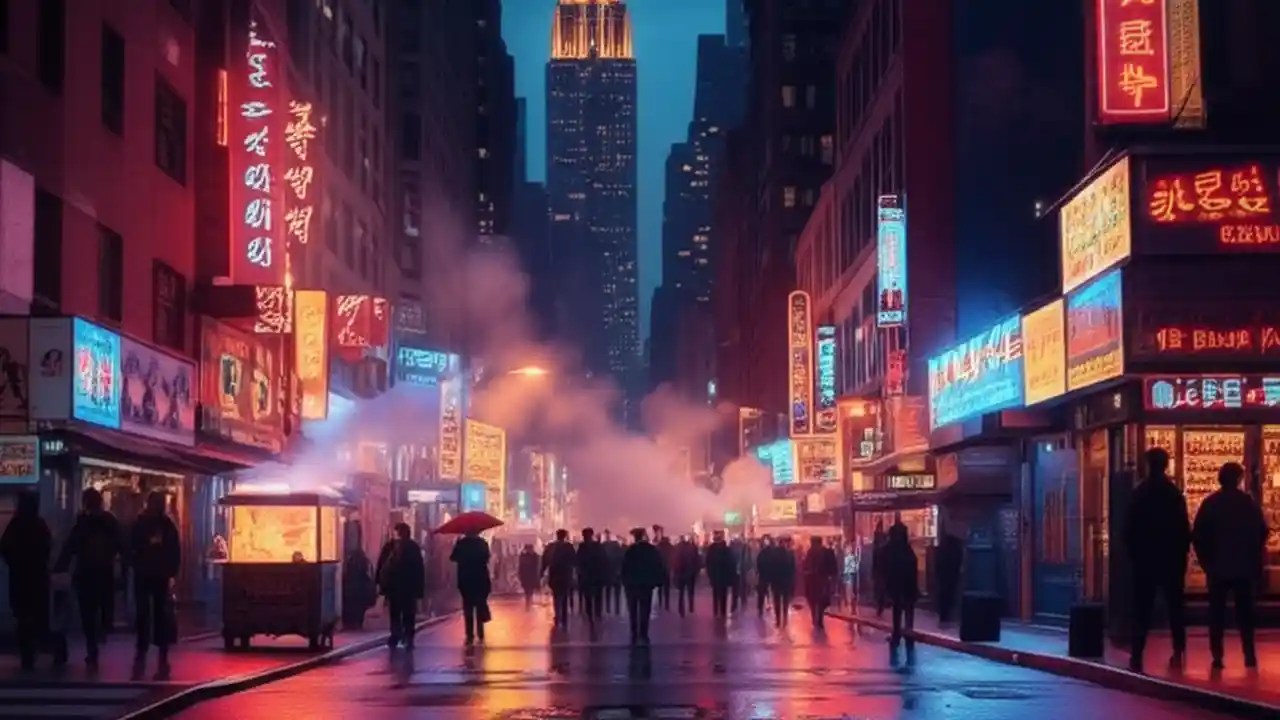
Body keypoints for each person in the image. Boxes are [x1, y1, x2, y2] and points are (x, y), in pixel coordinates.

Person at [1193, 462, 1268, 669]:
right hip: (1244, 567)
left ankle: (1217, 655)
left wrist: (1206, 561)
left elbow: (1198, 535)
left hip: (1218, 567)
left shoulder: (1211, 503)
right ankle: (1249, 653)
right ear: (1239, 479)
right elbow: (1262, 531)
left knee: (1217, 612)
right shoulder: (1247, 503)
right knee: (1245, 613)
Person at [1124, 447, 1191, 672]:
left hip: (1145, 559)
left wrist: (1133, 553)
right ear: (1166, 465)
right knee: (1175, 607)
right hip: (1170, 558)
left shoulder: (1140, 492)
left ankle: (1136, 652)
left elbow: (1129, 527)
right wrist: (1182, 554)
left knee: (1141, 607)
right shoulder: (1173, 493)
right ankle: (1179, 650)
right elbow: (1183, 528)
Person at [53, 487, 122, 667]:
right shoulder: (110, 521)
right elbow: (121, 544)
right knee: (103, 605)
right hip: (105, 571)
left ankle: (92, 647)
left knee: (87, 613)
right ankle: (103, 630)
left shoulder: (83, 522)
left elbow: (71, 546)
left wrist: (59, 567)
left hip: (86, 572)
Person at [129, 491, 180, 675]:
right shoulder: (165, 525)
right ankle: (157, 655)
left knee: (152, 615)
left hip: (151, 574)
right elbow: (174, 550)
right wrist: (171, 571)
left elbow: (131, 546)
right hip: (155, 574)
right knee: (155, 615)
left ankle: (148, 654)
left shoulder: (143, 524)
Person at [1, 491, 53, 670]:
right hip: (38, 577)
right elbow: (47, 547)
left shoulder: (15, 525)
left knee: (23, 617)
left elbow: (5, 548)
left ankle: (27, 654)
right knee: (39, 617)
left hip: (19, 577)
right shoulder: (39, 525)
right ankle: (46, 647)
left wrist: (15, 562)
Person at [377, 523, 426, 648]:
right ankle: (408, 637)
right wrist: (419, 589)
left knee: (395, 612)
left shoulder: (390, 546)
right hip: (408, 587)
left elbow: (381, 565)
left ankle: (396, 635)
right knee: (408, 613)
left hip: (394, 587)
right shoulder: (413, 547)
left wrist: (380, 584)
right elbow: (419, 569)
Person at [621, 527, 665, 645]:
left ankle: (634, 632)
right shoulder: (651, 550)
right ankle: (644, 633)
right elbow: (658, 566)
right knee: (645, 609)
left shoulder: (630, 551)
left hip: (632, 585)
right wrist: (657, 581)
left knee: (633, 610)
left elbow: (624, 568)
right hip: (646, 584)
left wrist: (625, 582)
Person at [448, 528, 491, 646]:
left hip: (465, 579)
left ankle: (469, 635)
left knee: (468, 608)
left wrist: (457, 545)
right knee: (479, 605)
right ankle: (480, 633)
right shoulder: (482, 543)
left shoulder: (461, 544)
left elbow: (452, 558)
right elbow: (487, 558)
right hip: (480, 578)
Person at [885, 522, 918, 662]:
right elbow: (913, 566)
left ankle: (897, 634)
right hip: (908, 585)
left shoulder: (889, 549)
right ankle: (908, 632)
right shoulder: (907, 549)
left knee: (897, 611)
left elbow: (884, 569)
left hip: (897, 585)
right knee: (907, 610)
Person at [542, 529, 576, 627]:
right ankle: (564, 617)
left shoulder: (551, 546)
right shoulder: (568, 547)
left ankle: (558, 615)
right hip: (565, 573)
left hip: (554, 574)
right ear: (565, 536)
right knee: (564, 595)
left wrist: (542, 571)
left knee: (556, 596)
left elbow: (545, 560)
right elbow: (574, 560)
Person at [803, 537, 838, 631]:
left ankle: (815, 616)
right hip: (823, 580)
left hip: (812, 580)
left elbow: (805, 566)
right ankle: (819, 618)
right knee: (822, 600)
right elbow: (834, 567)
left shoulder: (810, 552)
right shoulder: (827, 552)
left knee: (812, 600)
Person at [576, 528, 608, 629]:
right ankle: (596, 613)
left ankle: (591, 614)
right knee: (596, 596)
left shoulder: (582, 547)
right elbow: (604, 559)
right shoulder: (597, 546)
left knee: (589, 596)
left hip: (588, 575)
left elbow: (578, 561)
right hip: (595, 574)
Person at [341, 546, 376, 630]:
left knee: (351, 605)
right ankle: (358, 623)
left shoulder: (350, 562)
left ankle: (351, 623)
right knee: (360, 607)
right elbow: (368, 572)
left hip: (352, 587)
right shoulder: (365, 561)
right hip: (360, 587)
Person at [705, 531, 736, 619]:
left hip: (715, 576)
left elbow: (708, 563)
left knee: (715, 594)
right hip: (724, 577)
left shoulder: (711, 550)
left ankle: (716, 612)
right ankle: (723, 612)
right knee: (723, 595)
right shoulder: (726, 549)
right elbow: (731, 563)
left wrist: (710, 575)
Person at [935, 527, 963, 624]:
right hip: (951, 576)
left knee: (944, 595)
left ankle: (944, 615)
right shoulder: (956, 550)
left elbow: (938, 564)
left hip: (944, 576)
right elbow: (958, 563)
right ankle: (947, 614)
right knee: (950, 595)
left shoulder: (943, 550)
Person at [674, 534, 702, 616]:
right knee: (690, 591)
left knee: (681, 593)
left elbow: (675, 561)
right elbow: (697, 560)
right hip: (690, 573)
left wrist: (676, 572)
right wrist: (696, 571)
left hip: (681, 573)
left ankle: (681, 609)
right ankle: (691, 607)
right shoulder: (692, 548)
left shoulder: (677, 549)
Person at [772, 537, 797, 627]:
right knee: (785, 601)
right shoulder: (789, 554)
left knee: (777, 601)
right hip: (786, 581)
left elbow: (771, 568)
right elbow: (793, 569)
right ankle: (785, 617)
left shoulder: (774, 555)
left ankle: (778, 619)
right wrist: (792, 581)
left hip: (776, 581)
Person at [602, 530, 624, 614]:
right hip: (615, 572)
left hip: (609, 573)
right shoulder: (616, 547)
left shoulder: (604, 546)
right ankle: (616, 609)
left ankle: (608, 608)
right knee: (616, 592)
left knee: (608, 591)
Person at [755, 535, 777, 617]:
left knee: (762, 592)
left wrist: (759, 572)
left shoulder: (762, 553)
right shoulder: (774, 553)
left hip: (763, 575)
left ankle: (760, 608)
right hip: (771, 575)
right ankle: (770, 605)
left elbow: (758, 563)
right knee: (771, 591)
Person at [654, 527, 674, 612]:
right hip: (667, 569)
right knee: (667, 588)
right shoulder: (670, 547)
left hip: (660, 570)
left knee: (660, 588)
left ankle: (660, 602)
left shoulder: (658, 547)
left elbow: (655, 559)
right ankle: (667, 603)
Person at [871, 521, 888, 617]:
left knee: (879, 589)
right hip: (881, 572)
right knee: (880, 589)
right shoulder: (882, 548)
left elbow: (875, 561)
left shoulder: (877, 549)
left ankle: (880, 605)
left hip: (880, 572)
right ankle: (881, 605)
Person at [518, 544, 541, 608]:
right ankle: (528, 603)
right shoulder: (534, 556)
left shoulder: (525, 556)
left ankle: (528, 603)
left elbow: (521, 567)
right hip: (528, 576)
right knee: (528, 590)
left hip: (528, 576)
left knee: (529, 591)